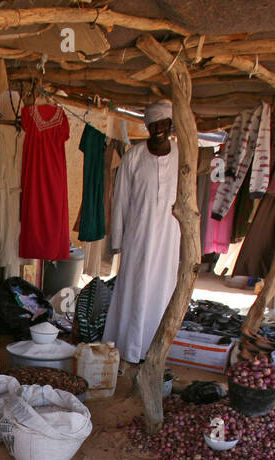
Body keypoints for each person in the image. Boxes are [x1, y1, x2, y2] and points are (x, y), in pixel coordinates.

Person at [104, 100, 179, 363]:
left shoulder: (182, 156)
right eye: (153, 124)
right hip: (138, 235)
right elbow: (121, 200)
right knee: (135, 289)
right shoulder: (133, 156)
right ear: (147, 126)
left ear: (171, 124)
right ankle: (129, 348)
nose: (158, 128)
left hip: (170, 236)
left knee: (163, 289)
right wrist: (117, 238)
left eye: (163, 122)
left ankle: (154, 350)